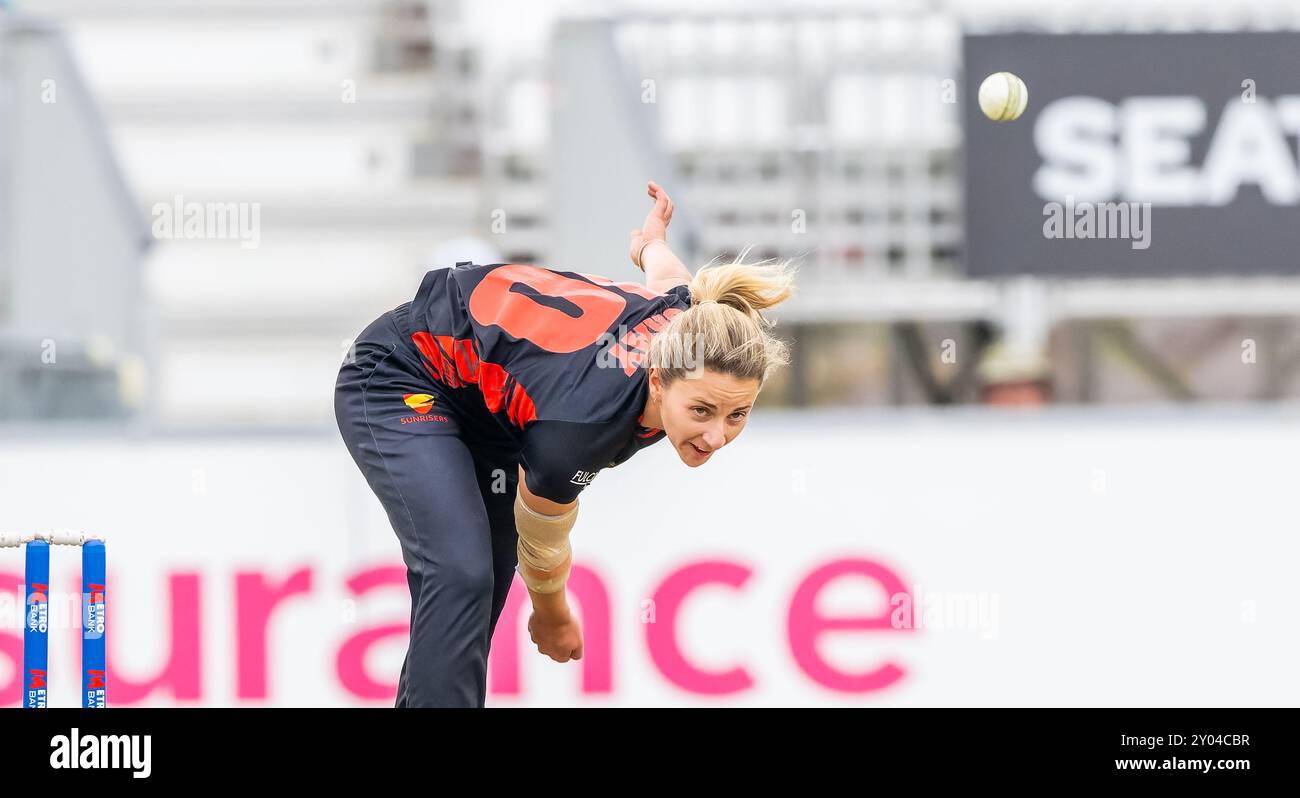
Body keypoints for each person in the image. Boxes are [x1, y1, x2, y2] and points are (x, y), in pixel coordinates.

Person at [334, 181, 797, 707]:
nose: (716, 435)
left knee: (469, 604)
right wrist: (551, 615)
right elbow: (542, 537)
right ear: (659, 381)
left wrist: (649, 246)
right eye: (702, 411)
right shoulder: (579, 426)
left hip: (489, 407)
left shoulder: (690, 327)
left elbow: (675, 282)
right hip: (399, 375)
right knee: (461, 572)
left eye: (738, 414)